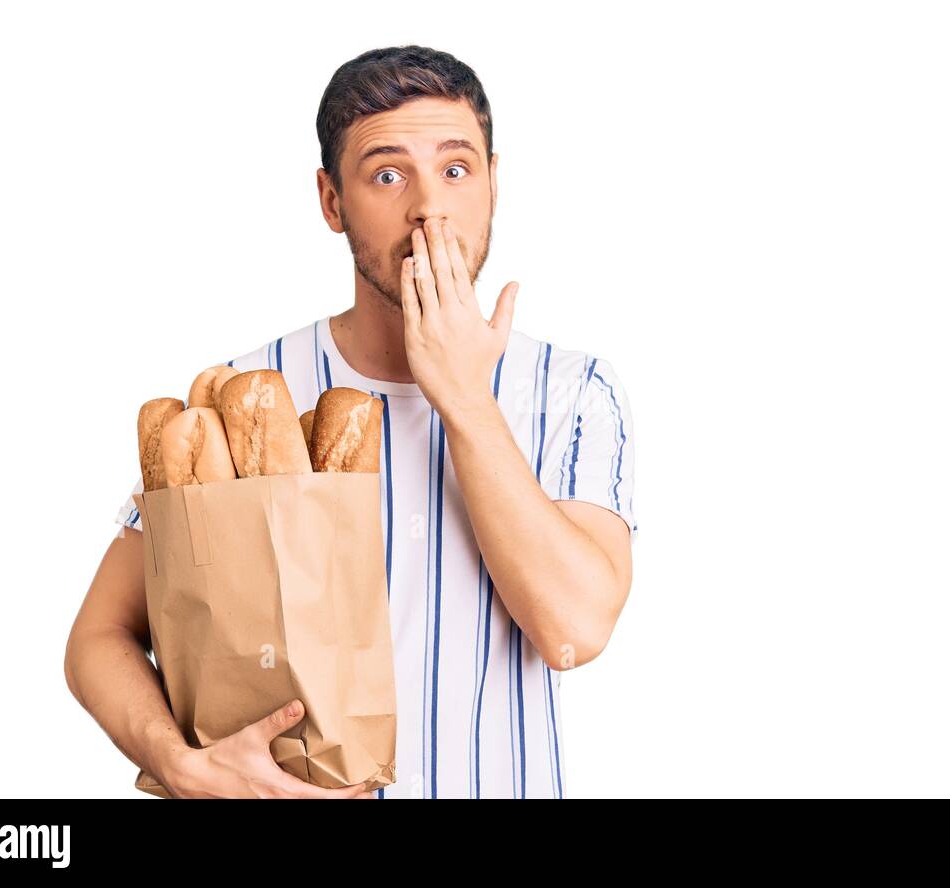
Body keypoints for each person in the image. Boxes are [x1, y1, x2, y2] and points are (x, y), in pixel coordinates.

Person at [65, 45, 638, 799]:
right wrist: (179, 763)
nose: (429, 206)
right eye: (388, 174)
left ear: (494, 184)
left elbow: (575, 631)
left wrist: (464, 397)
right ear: (332, 201)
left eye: (457, 169)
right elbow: (98, 638)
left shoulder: (572, 392)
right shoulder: (246, 395)